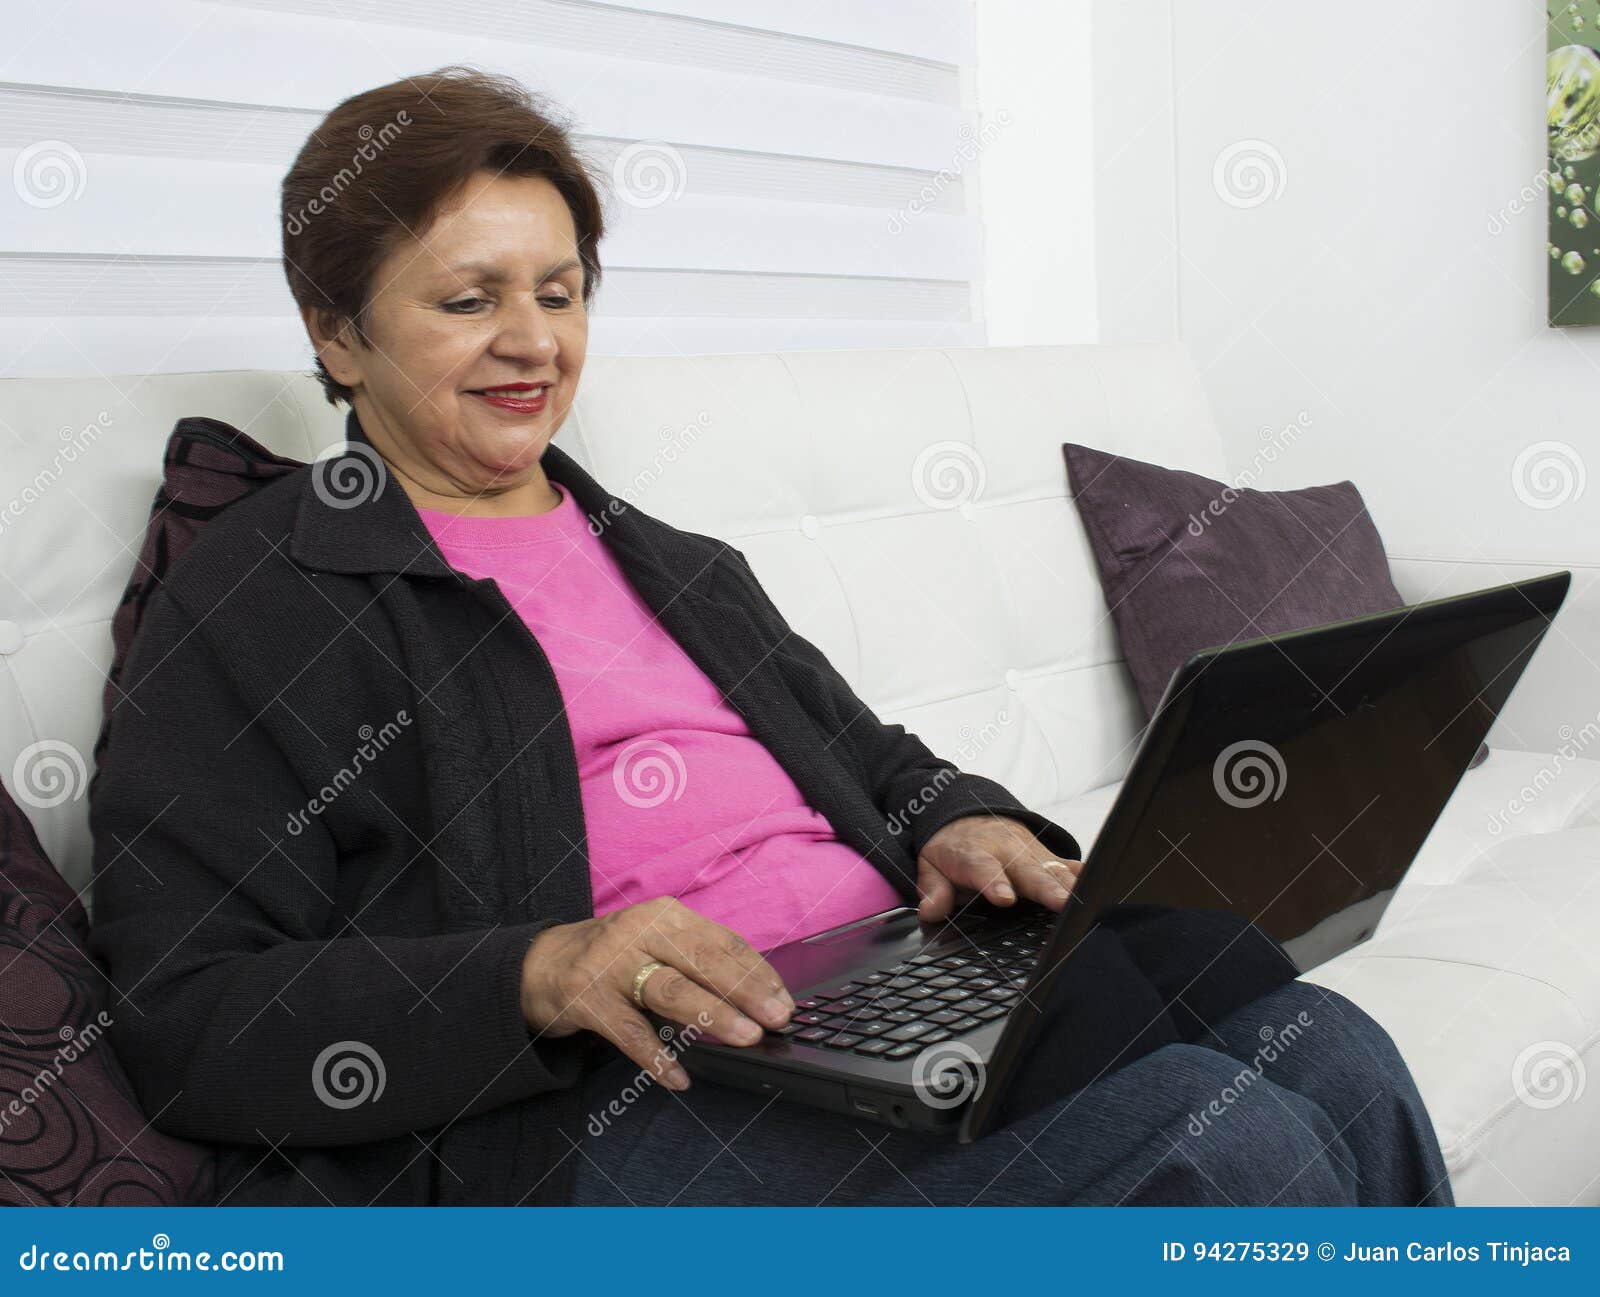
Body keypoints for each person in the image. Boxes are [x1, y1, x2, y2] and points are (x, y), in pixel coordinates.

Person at [87, 66, 1452, 1208]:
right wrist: (541, 970)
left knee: (1324, 1041)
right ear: (335, 334)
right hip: (620, 1106)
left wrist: (956, 822)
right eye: (468, 299)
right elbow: (186, 1016)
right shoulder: (261, 597)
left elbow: (880, 757)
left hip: (873, 1007)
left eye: (560, 293)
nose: (531, 343)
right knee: (1227, 1134)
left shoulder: (671, 562)